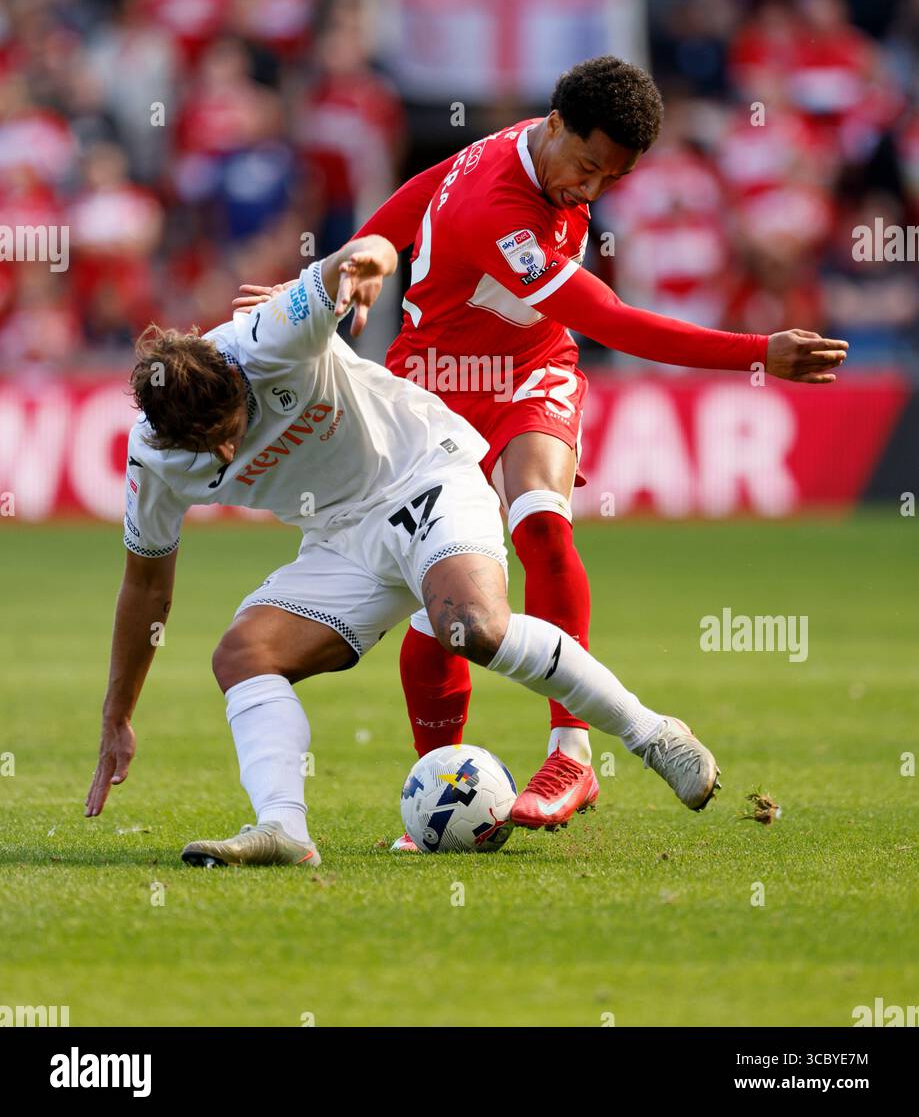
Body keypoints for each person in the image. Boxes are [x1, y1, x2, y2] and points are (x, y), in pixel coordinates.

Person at [236, 57, 849, 849]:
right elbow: (613, 321)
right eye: (587, 167)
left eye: (610, 179)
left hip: (531, 371)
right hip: (434, 388)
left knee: (541, 523)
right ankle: (444, 793)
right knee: (438, 612)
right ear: (555, 125)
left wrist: (338, 274)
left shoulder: (521, 146)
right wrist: (757, 352)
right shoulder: (498, 204)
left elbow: (397, 214)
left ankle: (571, 754)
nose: (589, 191)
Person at [85, 235, 723, 866]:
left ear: (235, 377)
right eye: (209, 451)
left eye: (230, 432)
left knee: (471, 629)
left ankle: (653, 735)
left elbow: (364, 254)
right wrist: (118, 717)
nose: (227, 455)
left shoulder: (268, 337)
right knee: (243, 656)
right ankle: (283, 828)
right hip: (340, 540)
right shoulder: (155, 459)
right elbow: (146, 588)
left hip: (424, 476)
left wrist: (365, 270)